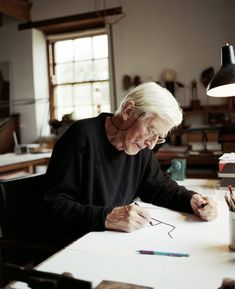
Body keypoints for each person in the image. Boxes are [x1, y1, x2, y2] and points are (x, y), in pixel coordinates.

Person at [44, 82, 217, 244]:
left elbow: (159, 187)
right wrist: (107, 217)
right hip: (75, 245)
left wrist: (193, 200)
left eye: (159, 137)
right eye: (151, 130)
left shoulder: (139, 148)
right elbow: (54, 206)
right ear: (128, 111)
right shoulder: (81, 137)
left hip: (113, 242)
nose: (151, 143)